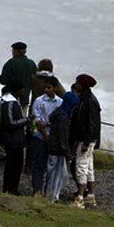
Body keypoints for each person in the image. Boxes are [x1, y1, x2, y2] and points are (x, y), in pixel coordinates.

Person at [69, 74, 101, 208]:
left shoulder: (89, 101)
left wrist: (86, 143)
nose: (75, 84)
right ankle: (90, 196)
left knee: (81, 167)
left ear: (83, 84)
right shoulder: (86, 99)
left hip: (85, 140)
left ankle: (80, 198)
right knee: (89, 168)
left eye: (78, 82)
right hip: (88, 139)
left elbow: (92, 124)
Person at [42, 77, 71, 203]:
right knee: (58, 175)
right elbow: (63, 137)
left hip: (52, 147)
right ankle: (53, 197)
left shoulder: (57, 112)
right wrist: (68, 154)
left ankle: (48, 194)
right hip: (58, 150)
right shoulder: (64, 117)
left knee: (50, 172)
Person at [29, 71, 58, 195]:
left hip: (52, 137)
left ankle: (49, 190)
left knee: (51, 166)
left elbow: (59, 120)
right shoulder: (39, 101)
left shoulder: (60, 102)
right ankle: (37, 190)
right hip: (40, 137)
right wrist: (45, 132)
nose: (46, 90)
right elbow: (37, 119)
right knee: (38, 164)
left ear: (55, 88)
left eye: (49, 87)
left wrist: (47, 127)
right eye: (45, 87)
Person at [0, 84, 29, 195]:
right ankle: (9, 188)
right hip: (12, 140)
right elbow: (10, 122)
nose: (23, 91)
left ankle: (12, 188)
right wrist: (26, 120)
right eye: (22, 88)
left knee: (17, 165)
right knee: (12, 165)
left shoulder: (13, 101)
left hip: (16, 140)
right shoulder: (9, 102)